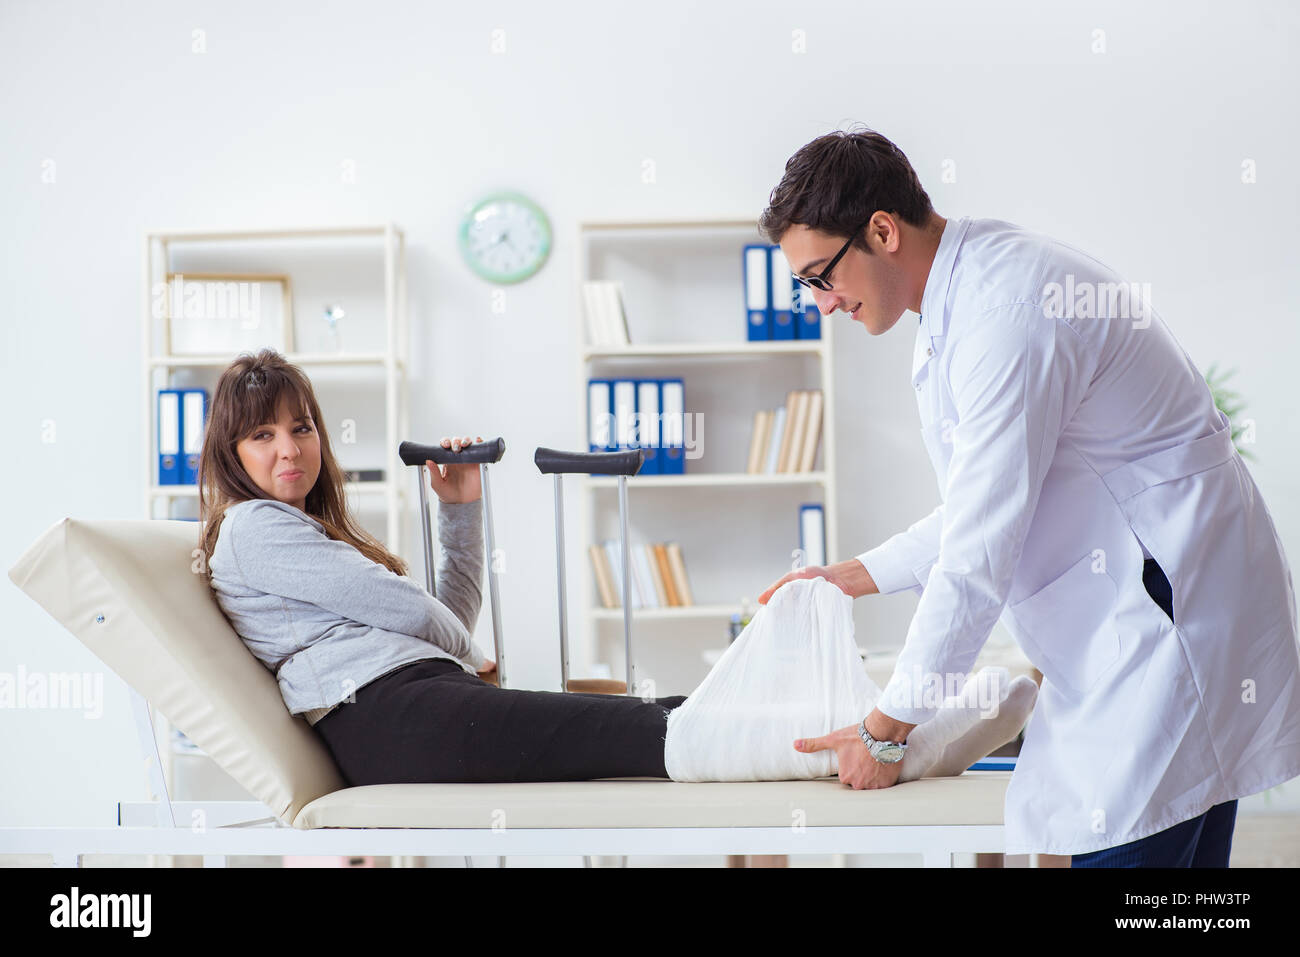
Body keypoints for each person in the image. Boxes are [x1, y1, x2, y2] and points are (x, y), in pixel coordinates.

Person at [753, 125, 1300, 867]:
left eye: (821, 275)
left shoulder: (1006, 312)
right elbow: (993, 497)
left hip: (1171, 626)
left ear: (881, 230)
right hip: (1164, 609)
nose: (820, 302)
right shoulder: (965, 302)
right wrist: (853, 575)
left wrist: (886, 728)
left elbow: (982, 547)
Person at [199, 349, 688, 785]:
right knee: (626, 728)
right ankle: (740, 739)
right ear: (231, 452)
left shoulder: (307, 531)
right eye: (263, 435)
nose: (290, 449)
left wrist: (460, 508)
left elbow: (444, 616)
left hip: (418, 697)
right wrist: (475, 658)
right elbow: (402, 606)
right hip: (381, 716)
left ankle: (738, 727)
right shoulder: (253, 527)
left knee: (642, 717)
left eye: (301, 428)